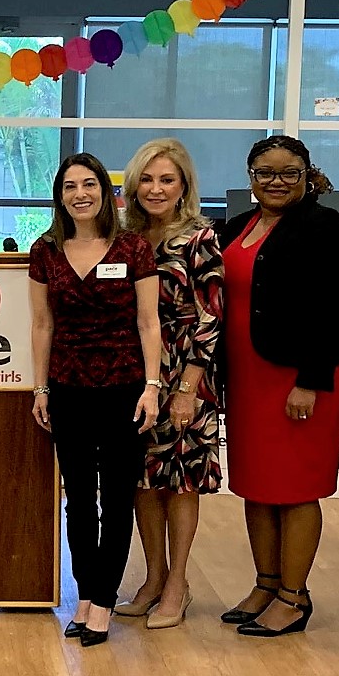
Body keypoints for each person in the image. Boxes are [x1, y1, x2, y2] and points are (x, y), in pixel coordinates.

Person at [217, 136, 339, 637]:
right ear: (250, 175)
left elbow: (332, 307)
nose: (276, 181)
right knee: (256, 485)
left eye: (288, 172)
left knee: (295, 488)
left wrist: (310, 382)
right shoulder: (237, 226)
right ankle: (266, 583)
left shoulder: (323, 225)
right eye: (265, 172)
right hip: (248, 377)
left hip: (300, 378)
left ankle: (294, 598)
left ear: (306, 174)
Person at [29, 152, 163, 647]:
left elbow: (149, 323)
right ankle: (86, 593)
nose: (80, 194)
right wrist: (40, 388)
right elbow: (43, 325)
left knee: (118, 499)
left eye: (89, 185)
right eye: (70, 186)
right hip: (67, 388)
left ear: (107, 194)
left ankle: (104, 599)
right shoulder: (45, 251)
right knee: (79, 501)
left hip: (125, 389)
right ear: (59, 196)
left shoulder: (133, 249)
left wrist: (153, 386)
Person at [114, 138, 223, 631]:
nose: (155, 189)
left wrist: (187, 388)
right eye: (148, 178)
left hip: (184, 374)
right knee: (141, 478)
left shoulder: (200, 237)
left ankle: (177, 581)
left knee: (181, 480)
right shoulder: (124, 237)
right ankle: (152, 576)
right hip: (131, 373)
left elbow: (212, 316)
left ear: (183, 187)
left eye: (167, 180)